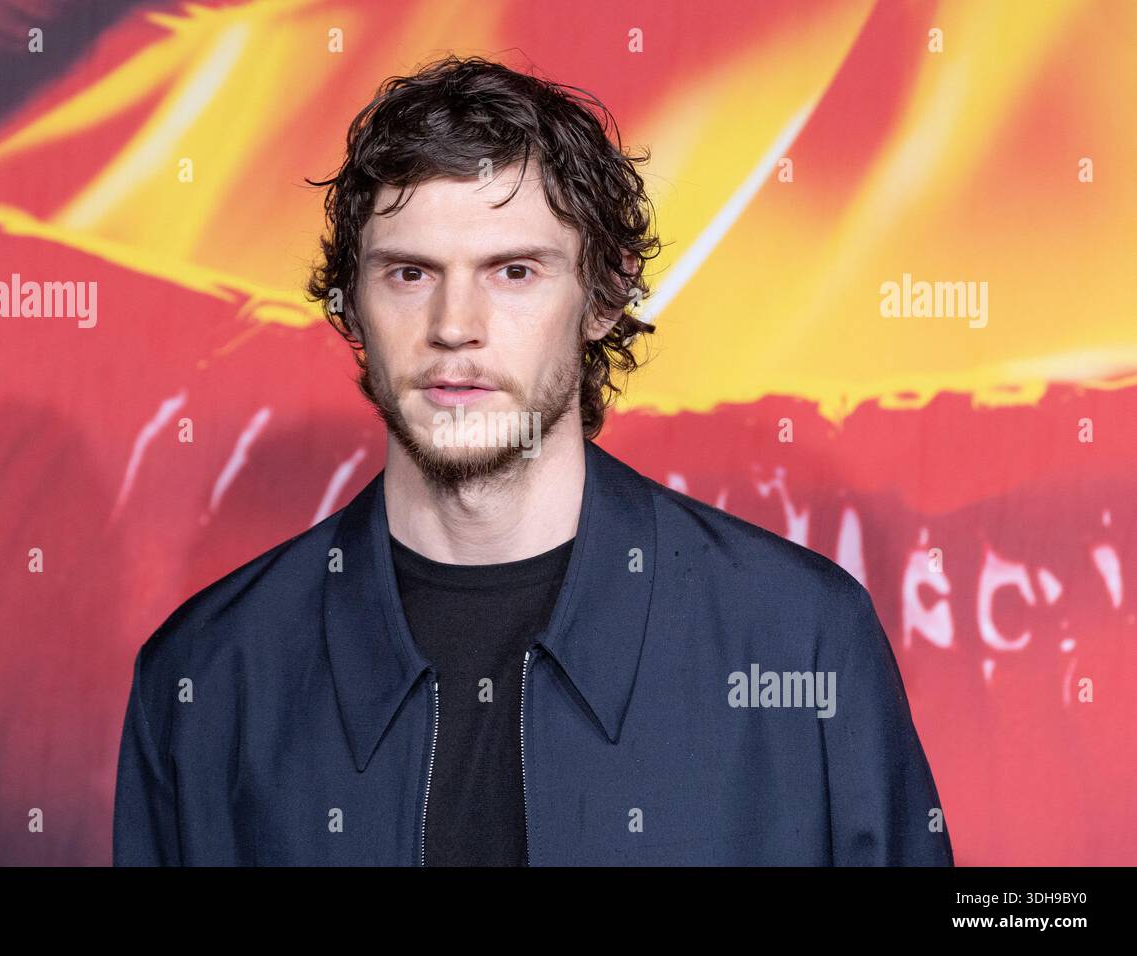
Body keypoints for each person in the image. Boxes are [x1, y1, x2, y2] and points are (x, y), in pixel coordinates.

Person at [112, 54, 953, 866]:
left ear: (602, 299)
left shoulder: (801, 641)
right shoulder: (206, 677)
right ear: (352, 306)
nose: (455, 324)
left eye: (513, 271)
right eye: (409, 273)